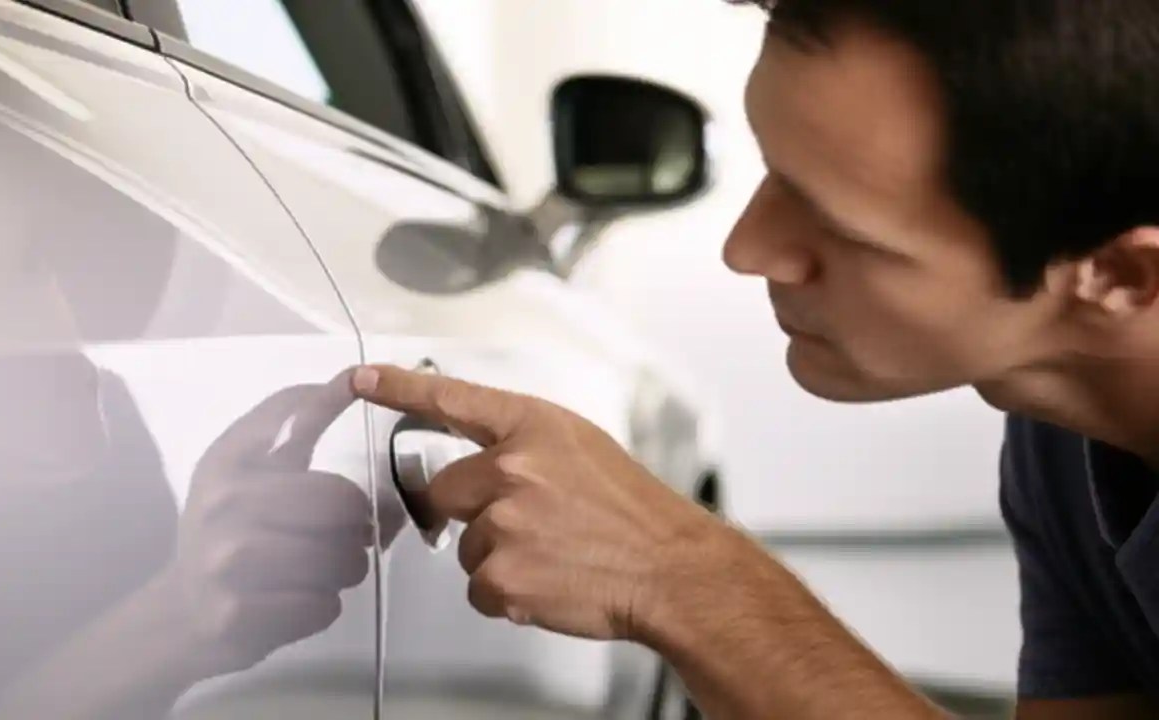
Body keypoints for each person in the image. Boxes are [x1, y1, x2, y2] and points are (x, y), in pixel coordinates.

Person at [351, 1, 1159, 718]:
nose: (747, 249)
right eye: (774, 170)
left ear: (1123, 277)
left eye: (841, 230)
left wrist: (695, 582)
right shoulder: (1061, 431)